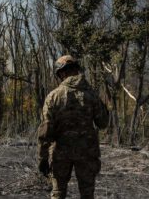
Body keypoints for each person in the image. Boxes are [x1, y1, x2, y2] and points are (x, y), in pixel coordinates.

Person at [37, 55, 109, 199]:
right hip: (87, 152)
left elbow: (45, 132)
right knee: (87, 194)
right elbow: (103, 123)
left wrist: (42, 158)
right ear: (76, 70)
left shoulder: (54, 96)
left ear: (61, 73)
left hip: (60, 153)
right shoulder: (92, 95)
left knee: (58, 194)